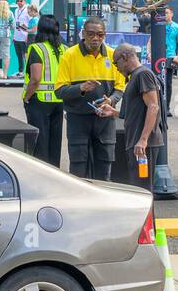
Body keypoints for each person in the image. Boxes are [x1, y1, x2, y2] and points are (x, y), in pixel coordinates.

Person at [54, 17, 126, 180]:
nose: (95, 38)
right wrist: (81, 88)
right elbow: (59, 91)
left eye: (100, 35)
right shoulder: (69, 55)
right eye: (91, 34)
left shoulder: (112, 55)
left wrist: (112, 100)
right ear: (83, 34)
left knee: (105, 165)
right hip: (77, 119)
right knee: (78, 166)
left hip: (105, 121)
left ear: (105, 35)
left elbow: (120, 87)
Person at [113, 43, 165, 190]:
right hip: (138, 144)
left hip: (142, 146)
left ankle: (148, 214)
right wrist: (113, 112)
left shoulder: (142, 74)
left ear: (124, 57)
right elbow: (137, 111)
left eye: (116, 62)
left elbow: (153, 106)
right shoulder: (136, 76)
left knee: (142, 188)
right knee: (138, 187)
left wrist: (143, 140)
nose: (116, 67)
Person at [21, 14, 64, 167]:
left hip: (39, 101)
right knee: (55, 141)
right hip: (59, 101)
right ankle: (55, 172)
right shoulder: (63, 49)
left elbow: (35, 78)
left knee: (40, 142)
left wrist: (27, 96)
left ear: (40, 29)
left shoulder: (36, 48)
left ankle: (41, 172)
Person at [162, 6, 178, 117]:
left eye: (167, 13)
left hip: (170, 57)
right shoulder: (158, 26)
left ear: (172, 14)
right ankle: (158, 107)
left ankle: (166, 108)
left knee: (168, 83)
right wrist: (148, 53)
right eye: (164, 13)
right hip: (158, 58)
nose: (165, 15)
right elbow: (150, 42)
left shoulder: (177, 28)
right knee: (157, 83)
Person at [12, 0, 33, 73]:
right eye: (18, 1)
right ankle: (20, 71)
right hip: (17, 36)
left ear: (24, 1)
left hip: (24, 36)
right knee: (19, 55)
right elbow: (15, 24)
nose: (19, 2)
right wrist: (13, 36)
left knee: (25, 55)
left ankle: (28, 72)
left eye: (21, 1)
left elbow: (31, 23)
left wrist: (28, 35)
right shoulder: (16, 10)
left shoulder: (27, 9)